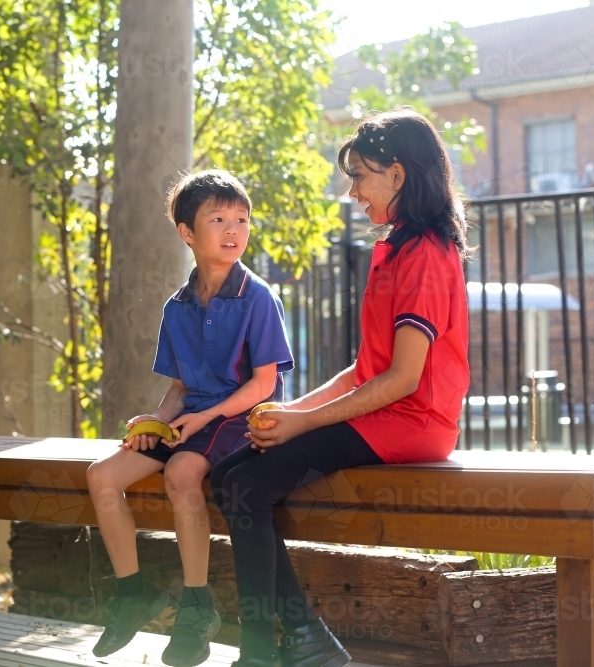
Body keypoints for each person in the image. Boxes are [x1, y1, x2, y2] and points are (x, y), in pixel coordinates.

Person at [211, 109, 472, 667]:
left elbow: (402, 380)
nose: (352, 191)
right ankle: (302, 639)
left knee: (246, 487)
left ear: (397, 175)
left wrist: (303, 424)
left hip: (414, 422)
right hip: (387, 415)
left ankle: (266, 650)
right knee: (227, 474)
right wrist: (290, 410)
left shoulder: (425, 254)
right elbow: (363, 369)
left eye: (359, 175)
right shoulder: (395, 248)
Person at [86, 170, 294, 667]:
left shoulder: (257, 297)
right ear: (187, 233)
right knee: (103, 476)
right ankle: (132, 591)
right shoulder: (176, 306)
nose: (233, 229)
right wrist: (155, 420)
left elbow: (264, 386)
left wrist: (201, 421)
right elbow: (178, 390)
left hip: (241, 417)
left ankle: (197, 607)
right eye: (217, 218)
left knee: (181, 472)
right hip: (193, 419)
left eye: (241, 219)